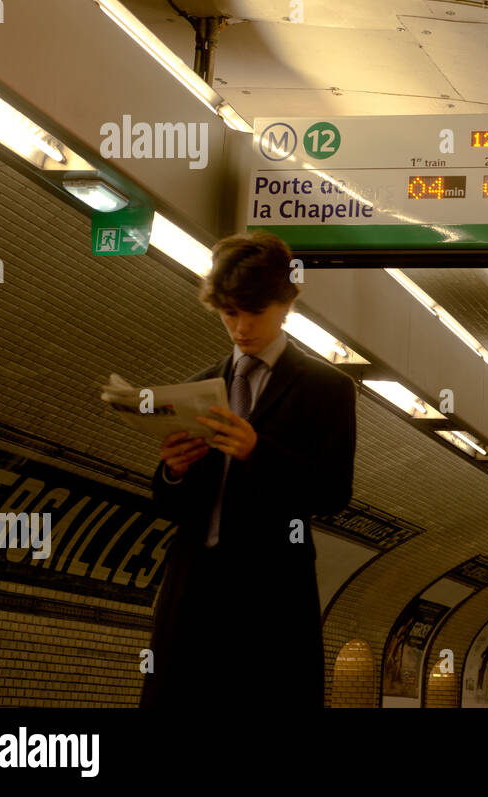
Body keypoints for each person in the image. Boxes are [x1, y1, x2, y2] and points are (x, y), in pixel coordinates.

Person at [140, 232, 356, 708]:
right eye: (229, 313)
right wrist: (172, 473)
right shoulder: (199, 385)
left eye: (253, 312)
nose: (240, 328)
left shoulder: (327, 389)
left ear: (285, 304)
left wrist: (259, 451)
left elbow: (333, 491)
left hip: (271, 591)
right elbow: (171, 504)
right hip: (192, 588)